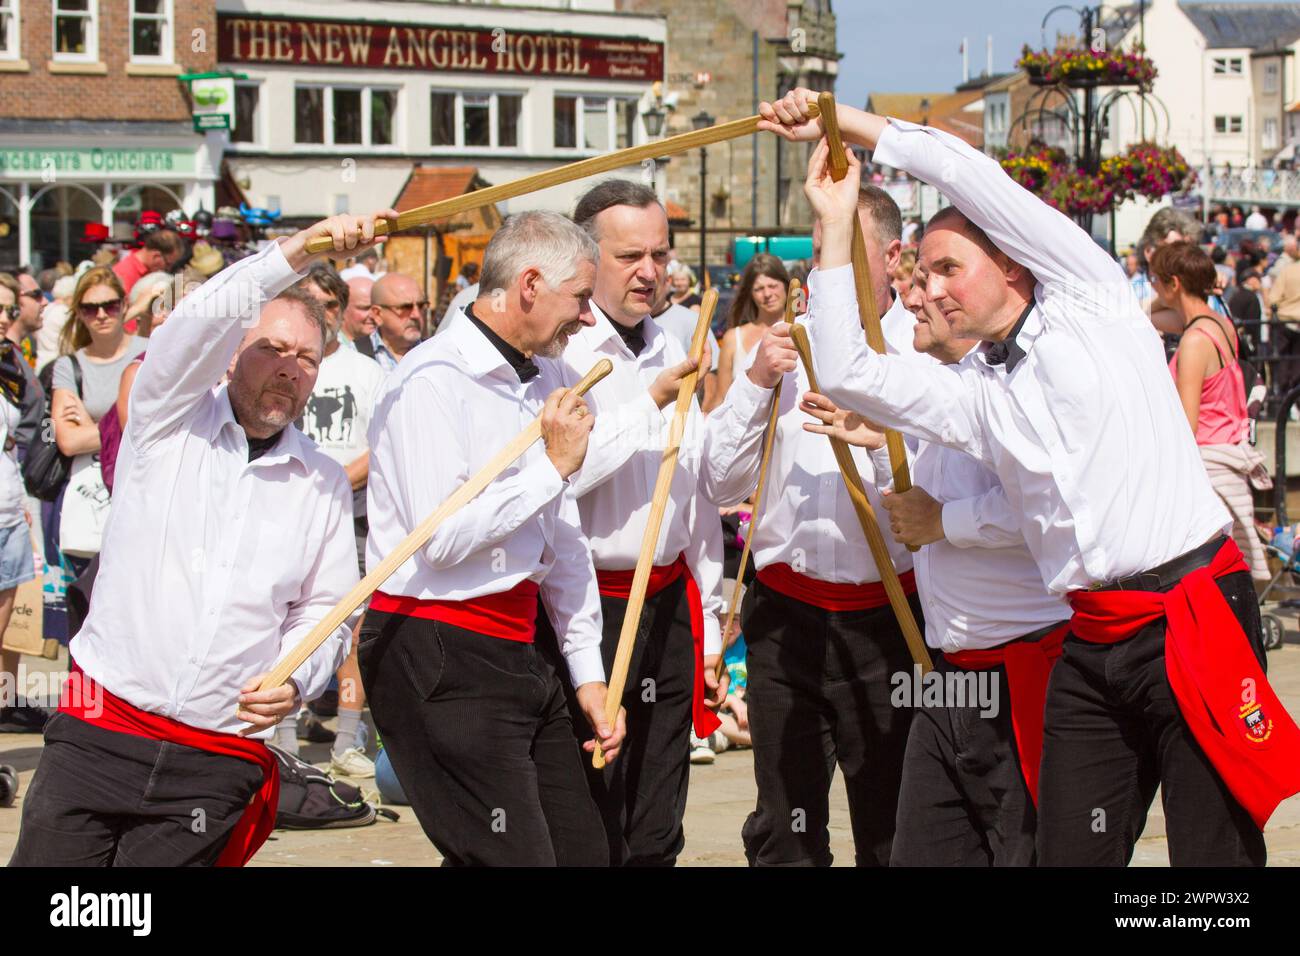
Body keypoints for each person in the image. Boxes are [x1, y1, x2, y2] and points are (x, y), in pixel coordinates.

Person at [760, 89, 1300, 866]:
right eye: (925, 272)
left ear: (1012, 261)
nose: (933, 287)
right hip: (1092, 633)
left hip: (1190, 605)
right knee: (1066, 854)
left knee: (1212, 864)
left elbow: (962, 168)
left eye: (950, 268)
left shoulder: (1092, 299)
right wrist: (838, 223)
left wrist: (845, 124)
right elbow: (845, 370)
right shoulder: (973, 395)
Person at [8, 210, 380, 867]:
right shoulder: (165, 418)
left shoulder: (321, 482)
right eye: (273, 348)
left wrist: (296, 679)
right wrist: (293, 252)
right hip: (102, 733)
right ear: (232, 351)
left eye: (307, 360)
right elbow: (191, 327)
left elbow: (324, 611)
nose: (290, 370)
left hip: (215, 757)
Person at [361, 210, 625, 866]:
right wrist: (551, 466)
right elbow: (441, 539)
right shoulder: (431, 381)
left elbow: (561, 533)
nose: (590, 318)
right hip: (435, 643)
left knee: (587, 851)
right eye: (582, 299)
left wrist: (587, 667)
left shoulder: (553, 374)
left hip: (519, 641)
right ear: (530, 284)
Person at [803, 267, 1071, 866]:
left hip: (1023, 669)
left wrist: (944, 522)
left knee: (1024, 851)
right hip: (948, 672)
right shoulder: (939, 383)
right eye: (912, 281)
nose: (911, 298)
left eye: (934, 278)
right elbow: (910, 513)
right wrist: (883, 446)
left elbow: (1052, 503)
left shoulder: (1022, 380)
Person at [699, 182, 926, 867]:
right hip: (786, 622)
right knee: (784, 830)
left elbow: (936, 507)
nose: (822, 276)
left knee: (889, 827)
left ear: (894, 259)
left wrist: (881, 445)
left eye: (842, 252)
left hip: (889, 621)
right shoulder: (781, 350)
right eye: (819, 251)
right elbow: (719, 483)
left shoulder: (920, 353)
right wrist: (755, 384)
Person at [536, 179, 724, 867]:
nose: (651, 271)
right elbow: (566, 474)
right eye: (629, 256)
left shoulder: (677, 339)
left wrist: (711, 619)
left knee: (659, 803)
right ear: (587, 257)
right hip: (587, 603)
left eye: (660, 253)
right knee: (591, 799)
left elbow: (695, 493)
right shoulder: (561, 353)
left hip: (668, 599)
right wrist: (648, 400)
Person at [285, 265, 386, 778]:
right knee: (283, 618)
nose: (320, 314)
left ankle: (347, 738)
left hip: (355, 512)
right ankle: (282, 738)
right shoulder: (285, 363)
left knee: (353, 625)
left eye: (329, 305)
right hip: (287, 508)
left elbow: (382, 444)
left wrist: (336, 481)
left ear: (342, 310)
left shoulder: (368, 373)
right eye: (310, 302)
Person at [1153, 242, 1270, 583]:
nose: (1153, 289)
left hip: (1207, 462)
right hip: (1228, 452)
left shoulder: (1193, 342)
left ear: (1173, 283)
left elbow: (1186, 425)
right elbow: (1146, 313)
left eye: (1156, 281)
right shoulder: (1218, 324)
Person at [50, 269, 148, 573]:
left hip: (141, 490)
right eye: (91, 308)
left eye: (111, 305)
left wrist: (92, 425)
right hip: (89, 494)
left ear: (125, 304)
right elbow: (67, 441)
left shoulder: (150, 351)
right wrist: (125, 422)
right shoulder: (68, 366)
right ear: (79, 313)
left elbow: (154, 428)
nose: (102, 315)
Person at [703, 255, 791, 414]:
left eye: (772, 285)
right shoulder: (733, 338)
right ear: (750, 293)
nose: (767, 294)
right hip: (745, 434)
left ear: (786, 285)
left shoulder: (801, 330)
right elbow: (722, 399)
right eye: (759, 289)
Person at [357, 273, 424, 372]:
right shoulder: (355, 355)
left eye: (421, 306)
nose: (416, 315)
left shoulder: (438, 354)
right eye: (405, 307)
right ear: (377, 314)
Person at [111, 229, 182, 296]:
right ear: (156, 256)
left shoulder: (149, 271)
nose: (168, 269)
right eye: (168, 264)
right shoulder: (124, 274)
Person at [341, 276, 375, 347]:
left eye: (376, 309)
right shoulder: (328, 350)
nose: (373, 315)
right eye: (365, 308)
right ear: (343, 308)